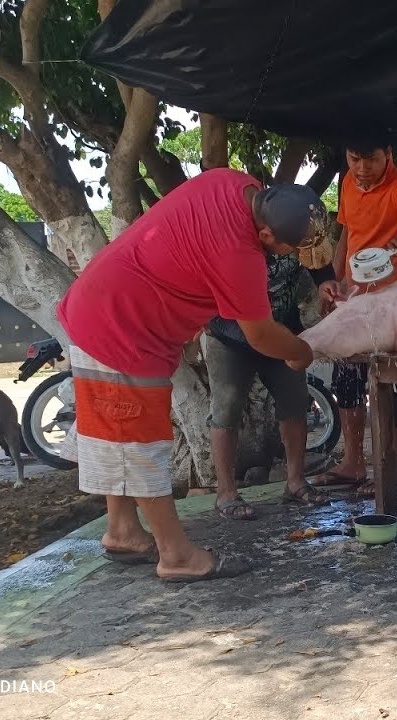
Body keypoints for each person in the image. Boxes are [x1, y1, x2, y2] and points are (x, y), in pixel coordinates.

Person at [57, 168, 322, 582]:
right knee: (140, 440)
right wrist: (302, 352)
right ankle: (176, 556)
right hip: (123, 328)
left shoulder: (230, 182)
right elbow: (261, 334)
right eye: (291, 247)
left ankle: (123, 531)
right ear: (267, 235)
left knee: (120, 434)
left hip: (101, 305)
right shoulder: (240, 253)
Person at [312, 134, 397, 496]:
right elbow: (347, 233)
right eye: (354, 158)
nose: (362, 169)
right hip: (354, 297)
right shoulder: (348, 182)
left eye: (371, 160)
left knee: (394, 383)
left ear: (388, 154)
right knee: (347, 378)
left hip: (394, 301)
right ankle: (353, 463)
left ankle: (391, 468)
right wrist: (334, 279)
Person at [203, 236, 337, 520]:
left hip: (280, 329)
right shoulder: (232, 234)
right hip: (229, 334)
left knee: (295, 400)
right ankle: (226, 493)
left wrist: (325, 280)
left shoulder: (302, 229)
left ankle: (296, 482)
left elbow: (317, 254)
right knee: (227, 407)